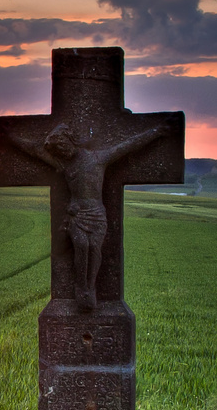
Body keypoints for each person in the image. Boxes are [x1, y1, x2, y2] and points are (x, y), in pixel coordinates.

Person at [18, 120, 169, 310]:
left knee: (95, 249)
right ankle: (81, 287)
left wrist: (156, 131)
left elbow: (128, 146)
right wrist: (10, 138)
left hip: (96, 213)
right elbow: (35, 150)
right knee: (82, 246)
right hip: (77, 215)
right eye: (59, 151)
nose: (63, 152)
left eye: (63, 147)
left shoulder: (99, 158)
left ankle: (90, 286)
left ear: (71, 141)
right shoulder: (64, 164)